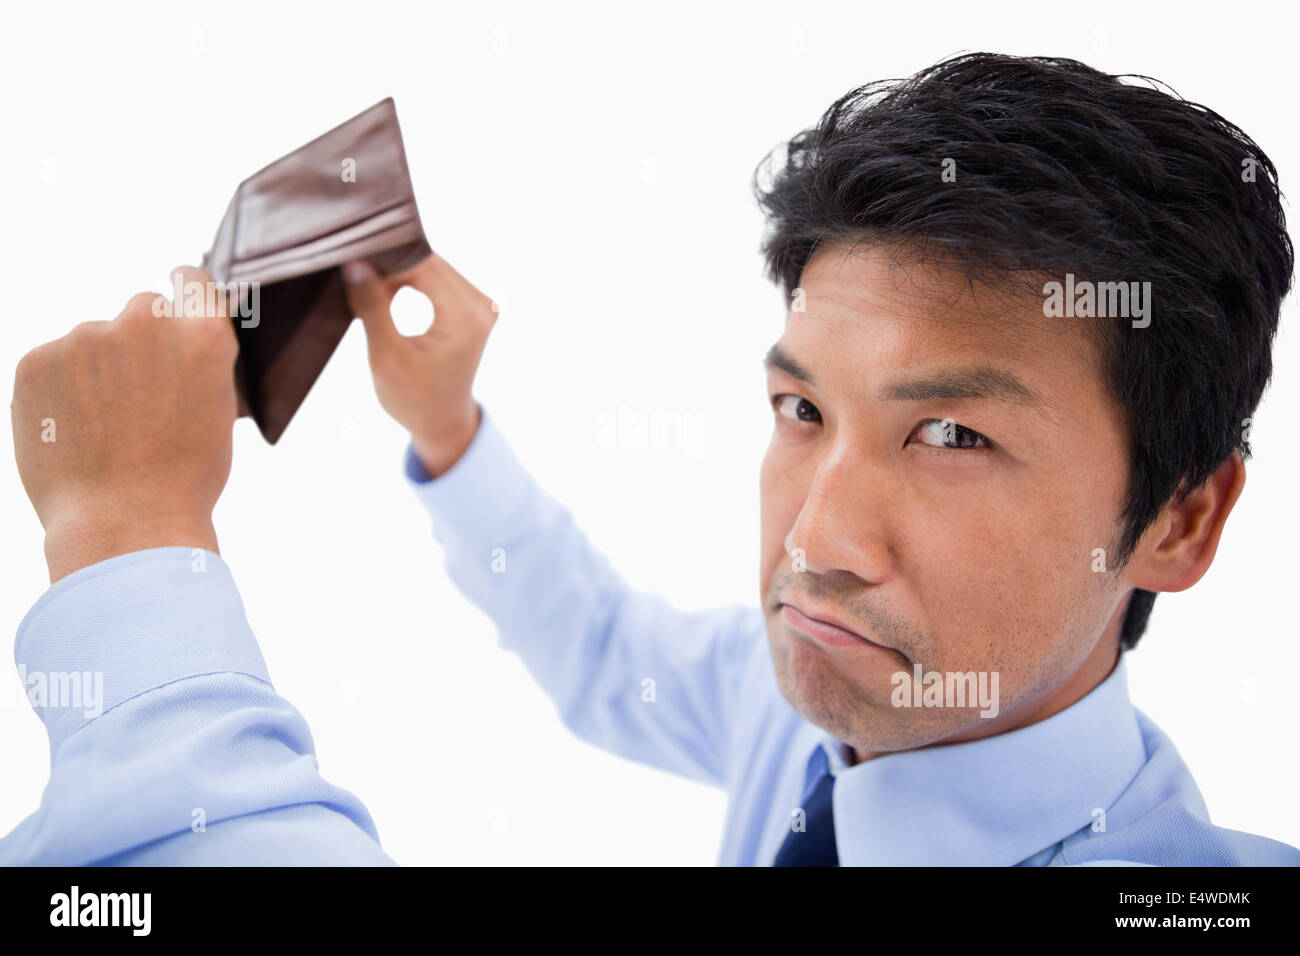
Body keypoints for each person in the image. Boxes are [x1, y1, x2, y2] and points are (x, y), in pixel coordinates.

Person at [3, 52, 1297, 866]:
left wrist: (127, 538)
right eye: (802, 411)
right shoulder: (806, 703)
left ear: (1181, 522)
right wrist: (449, 434)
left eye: (951, 436)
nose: (817, 544)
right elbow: (607, 656)